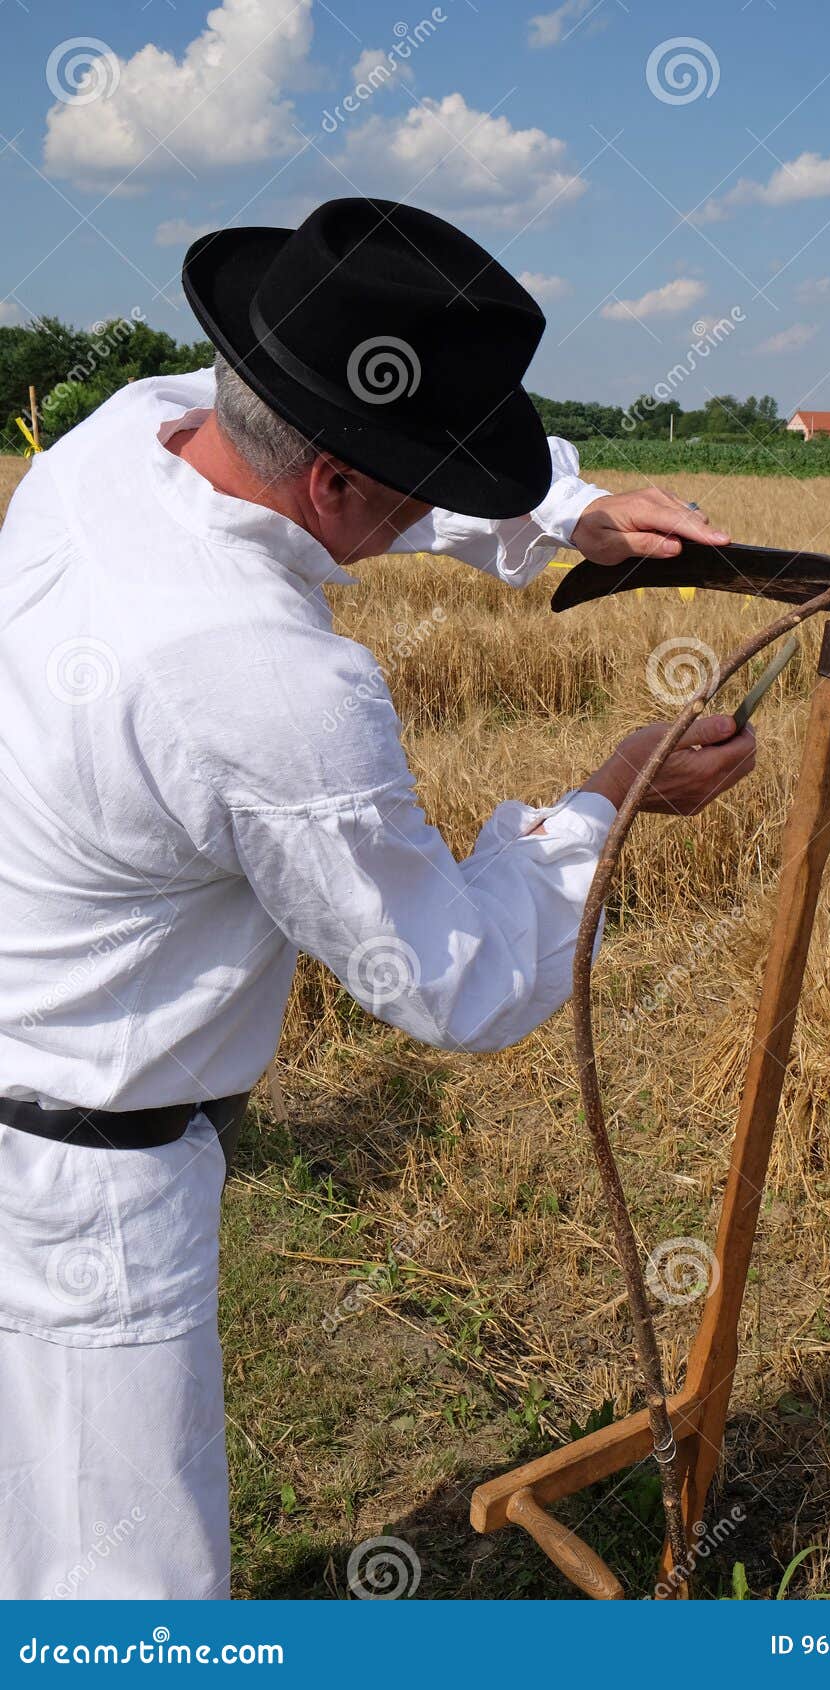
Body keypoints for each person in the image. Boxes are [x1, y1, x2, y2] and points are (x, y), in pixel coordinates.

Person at [0, 198, 755, 1599]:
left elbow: (307, 444)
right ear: (342, 479)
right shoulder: (263, 677)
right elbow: (454, 977)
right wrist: (607, 803)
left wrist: (561, 511)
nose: (431, 504)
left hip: (25, 1068)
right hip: (79, 1197)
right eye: (424, 477)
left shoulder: (121, 440)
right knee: (121, 1601)